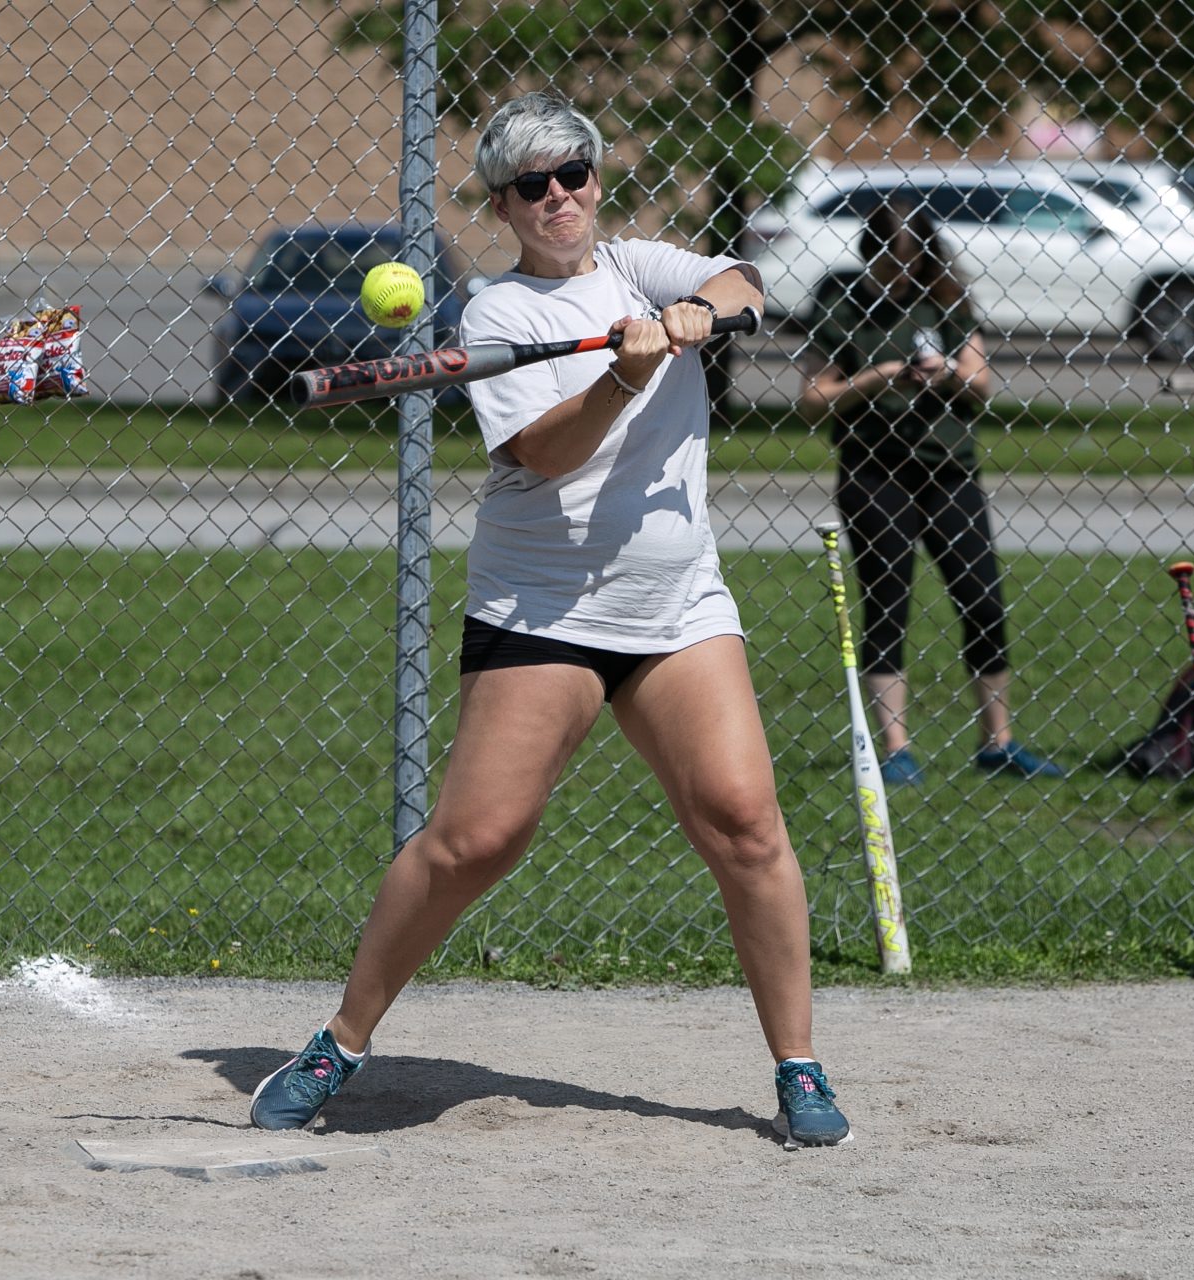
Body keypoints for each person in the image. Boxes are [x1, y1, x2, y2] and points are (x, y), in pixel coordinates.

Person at [249, 92, 850, 1147]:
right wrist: (625, 371)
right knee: (478, 837)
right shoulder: (497, 315)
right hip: (545, 606)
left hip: (676, 606)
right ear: (505, 203)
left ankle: (798, 1066)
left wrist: (704, 313)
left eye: (572, 173)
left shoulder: (638, 265)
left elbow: (741, 279)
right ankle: (339, 1040)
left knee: (745, 822)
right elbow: (546, 452)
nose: (558, 196)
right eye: (532, 184)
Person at [798, 197, 1063, 786]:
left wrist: (948, 375)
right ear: (870, 257)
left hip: (949, 470)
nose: (897, 277)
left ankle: (998, 742)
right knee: (888, 603)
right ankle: (896, 749)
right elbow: (813, 399)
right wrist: (878, 378)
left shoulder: (947, 300)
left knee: (984, 599)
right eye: (888, 266)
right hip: (875, 472)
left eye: (909, 265)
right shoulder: (842, 303)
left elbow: (983, 384)